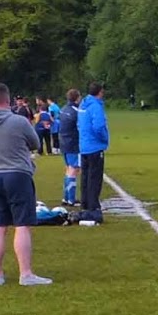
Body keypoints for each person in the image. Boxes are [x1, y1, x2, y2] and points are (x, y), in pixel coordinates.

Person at [0, 83, 51, 286]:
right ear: (8, 99)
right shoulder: (18, 121)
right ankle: (25, 273)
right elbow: (36, 143)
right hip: (18, 174)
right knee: (22, 225)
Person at [77, 82, 110, 223]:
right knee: (94, 178)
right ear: (99, 92)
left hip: (84, 146)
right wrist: (104, 139)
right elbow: (99, 126)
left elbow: (79, 124)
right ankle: (93, 206)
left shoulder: (83, 105)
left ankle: (85, 204)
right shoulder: (96, 106)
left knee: (85, 176)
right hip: (95, 146)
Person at [57, 89, 81, 205]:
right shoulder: (76, 112)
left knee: (68, 169)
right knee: (73, 170)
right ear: (77, 98)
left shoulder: (63, 109)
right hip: (73, 144)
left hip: (63, 142)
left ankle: (65, 197)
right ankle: (71, 199)